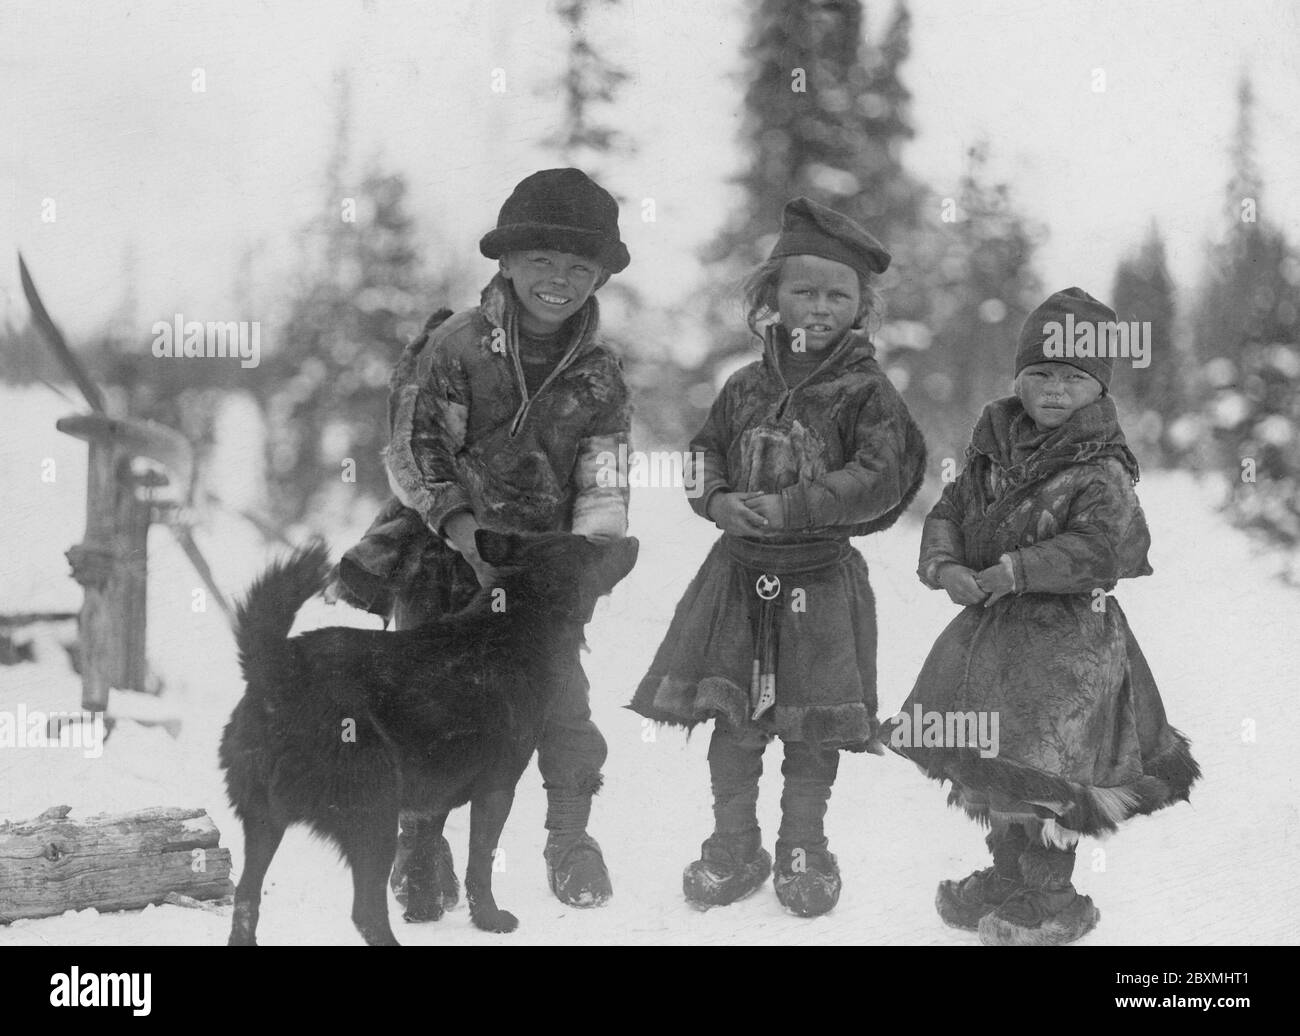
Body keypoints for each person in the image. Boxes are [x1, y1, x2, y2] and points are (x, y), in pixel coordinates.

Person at [328, 168, 633, 913]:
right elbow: (413, 450)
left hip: (535, 580)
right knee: (425, 709)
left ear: (599, 276)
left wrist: (586, 566)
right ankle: (419, 844)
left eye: (579, 267)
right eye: (542, 262)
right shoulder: (456, 346)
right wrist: (461, 530)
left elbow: (604, 476)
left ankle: (569, 838)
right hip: (440, 556)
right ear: (505, 261)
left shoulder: (598, 375)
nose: (559, 280)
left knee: (560, 704)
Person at [631, 197, 927, 917]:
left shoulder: (868, 392)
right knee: (734, 718)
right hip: (736, 577)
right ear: (771, 297)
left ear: (863, 307)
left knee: (810, 723)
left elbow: (880, 477)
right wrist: (718, 500)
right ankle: (734, 844)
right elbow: (701, 455)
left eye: (838, 294)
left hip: (820, 580)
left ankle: (803, 849)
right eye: (803, 290)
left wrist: (800, 505)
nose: (820, 307)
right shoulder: (744, 385)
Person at [881, 287, 1200, 945]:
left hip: (1068, 645)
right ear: (1019, 378)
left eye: (1074, 377)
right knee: (994, 758)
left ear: (1098, 386)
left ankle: (1052, 895)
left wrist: (1021, 569)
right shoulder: (994, 451)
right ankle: (1007, 876)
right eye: (1041, 373)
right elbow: (949, 513)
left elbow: (1100, 549)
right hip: (996, 635)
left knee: (1050, 766)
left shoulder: (1103, 467)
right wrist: (949, 567)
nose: (1055, 390)